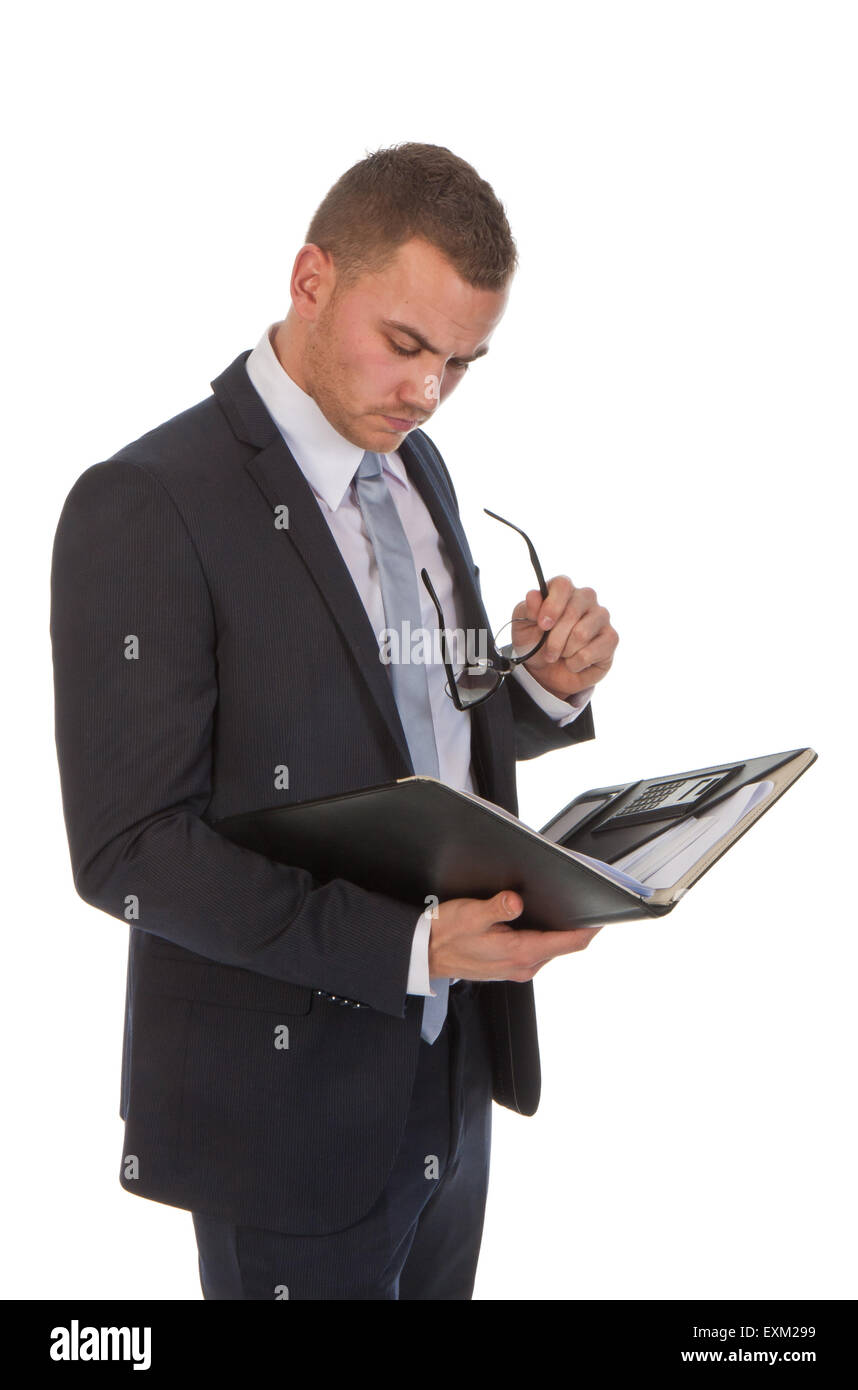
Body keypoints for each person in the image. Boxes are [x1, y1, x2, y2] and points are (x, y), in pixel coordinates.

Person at [49, 141, 619, 1300]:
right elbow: (128, 853)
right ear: (310, 278)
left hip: (454, 1069)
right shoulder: (147, 502)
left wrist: (543, 688)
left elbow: (419, 733)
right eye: (405, 345)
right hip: (287, 1108)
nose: (423, 391)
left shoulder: (417, 470)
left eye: (460, 363)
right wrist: (405, 947)